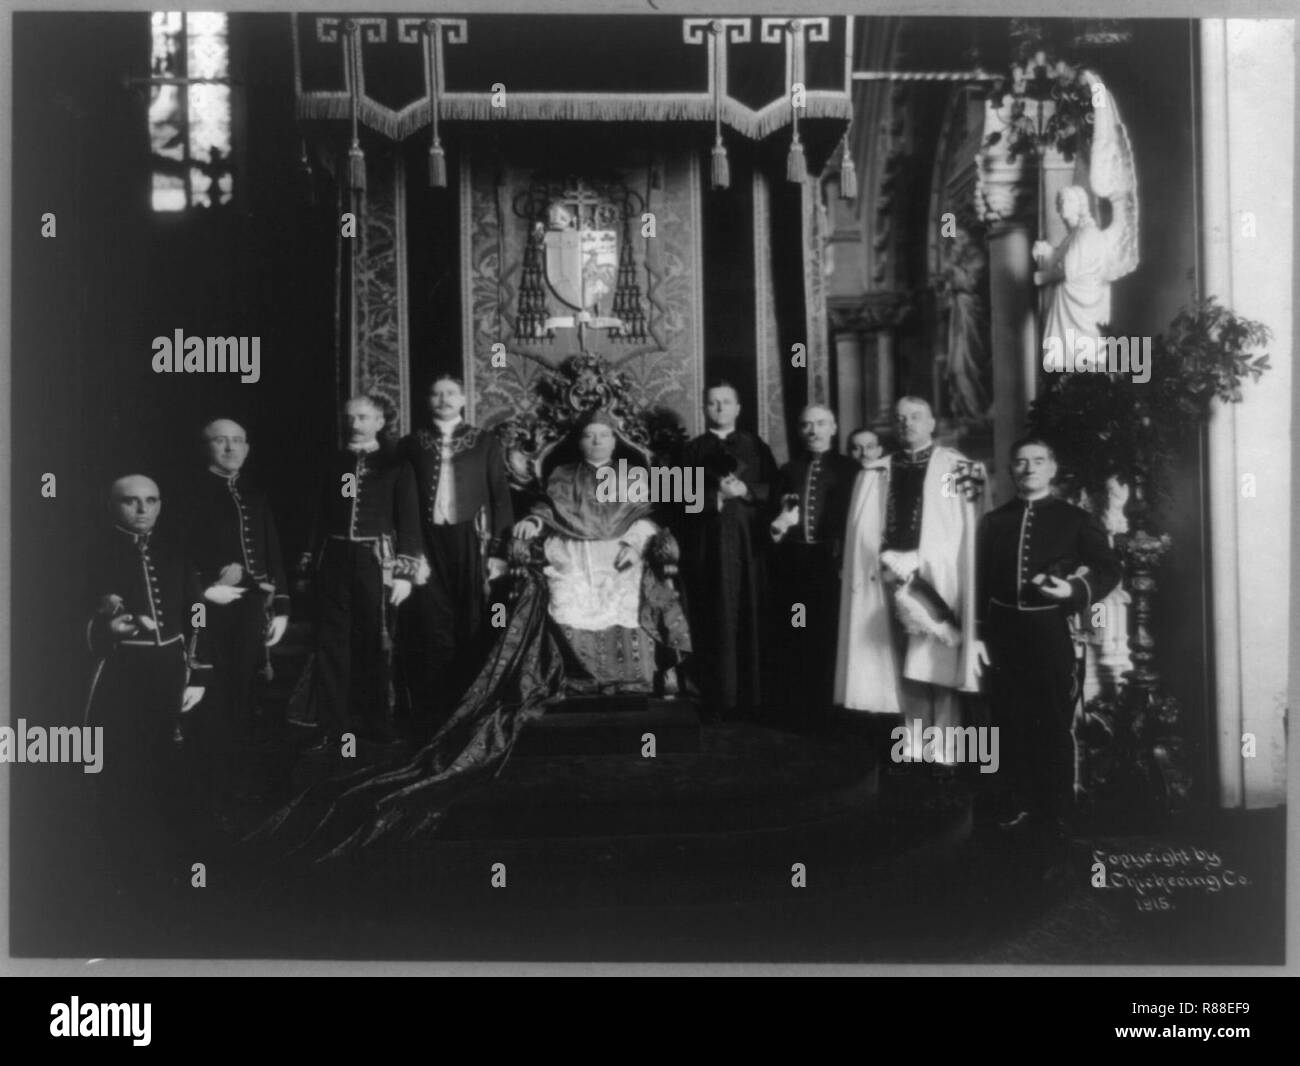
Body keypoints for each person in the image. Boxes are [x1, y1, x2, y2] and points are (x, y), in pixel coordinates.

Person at [973, 437, 1121, 875]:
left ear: (1053, 468)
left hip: (1048, 631)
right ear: (1011, 470)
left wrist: (1074, 590)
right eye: (1020, 462)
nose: (1028, 468)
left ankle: (1055, 813)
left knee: (1053, 721)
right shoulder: (994, 521)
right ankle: (1016, 803)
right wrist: (978, 635)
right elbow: (979, 581)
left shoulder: (1076, 520)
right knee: (1006, 719)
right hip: (1001, 633)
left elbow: (1110, 569)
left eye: (1038, 461)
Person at [834, 396, 987, 759]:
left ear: (932, 423)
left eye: (916, 417)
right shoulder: (874, 472)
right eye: (901, 418)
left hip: (936, 579)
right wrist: (886, 558)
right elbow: (863, 532)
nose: (907, 424)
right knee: (903, 666)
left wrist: (921, 558)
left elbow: (963, 528)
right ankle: (914, 752)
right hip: (886, 577)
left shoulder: (957, 468)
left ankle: (946, 753)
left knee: (938, 666)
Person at [84, 475, 209, 882]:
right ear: (111, 505)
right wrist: (105, 632)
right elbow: (53, 620)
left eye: (151, 500)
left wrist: (198, 672)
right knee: (122, 766)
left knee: (171, 764)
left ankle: (170, 856)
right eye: (131, 502)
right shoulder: (90, 554)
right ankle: (122, 859)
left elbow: (197, 612)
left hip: (172, 669)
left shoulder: (176, 551)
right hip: (120, 673)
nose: (142, 510)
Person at [513, 411, 690, 693]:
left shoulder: (632, 477)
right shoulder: (562, 474)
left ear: (614, 441)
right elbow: (547, 510)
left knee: (625, 595)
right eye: (589, 435)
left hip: (619, 553)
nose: (596, 440)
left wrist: (633, 547)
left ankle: (631, 682)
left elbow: (645, 519)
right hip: (573, 553)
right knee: (568, 595)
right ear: (579, 440)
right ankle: (574, 683)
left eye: (604, 435)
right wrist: (533, 521)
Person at [298, 395, 424, 749]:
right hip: (334, 558)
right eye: (350, 417)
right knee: (331, 643)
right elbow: (318, 518)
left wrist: (406, 572)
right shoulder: (332, 462)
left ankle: (378, 723)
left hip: (376, 561)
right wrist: (308, 563)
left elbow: (409, 521)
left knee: (376, 643)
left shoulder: (397, 464)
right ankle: (332, 727)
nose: (355, 423)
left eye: (363, 417)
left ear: (380, 422)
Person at [399, 376, 513, 734]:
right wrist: (410, 555)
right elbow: (400, 501)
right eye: (436, 393)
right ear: (427, 399)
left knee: (474, 619)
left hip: (471, 538)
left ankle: (470, 707)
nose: (444, 399)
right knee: (432, 622)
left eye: (451, 393)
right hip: (427, 538)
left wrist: (499, 551)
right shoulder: (411, 443)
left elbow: (500, 497)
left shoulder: (484, 441)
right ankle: (434, 709)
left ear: (464, 399)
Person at [185, 418, 289, 810]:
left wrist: (281, 607)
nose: (230, 448)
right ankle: (215, 788)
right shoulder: (188, 494)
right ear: (206, 447)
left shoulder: (256, 494)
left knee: (246, 695)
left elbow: (273, 551)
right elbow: (175, 555)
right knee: (215, 698)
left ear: (247, 447)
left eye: (237, 441)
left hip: (251, 611)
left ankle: (242, 783)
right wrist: (204, 589)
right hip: (209, 611)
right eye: (220, 441)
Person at [679, 381, 777, 719]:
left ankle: (751, 701)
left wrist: (746, 490)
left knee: (749, 616)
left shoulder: (756, 447)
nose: (719, 408)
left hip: (748, 548)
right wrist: (716, 497)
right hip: (708, 550)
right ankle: (713, 700)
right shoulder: (691, 450)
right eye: (712, 403)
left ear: (738, 408)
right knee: (711, 616)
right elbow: (673, 498)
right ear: (704, 409)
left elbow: (776, 491)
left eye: (726, 402)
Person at [768, 404, 860, 730]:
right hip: (795, 569)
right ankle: (801, 709)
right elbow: (773, 520)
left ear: (834, 427)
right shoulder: (788, 470)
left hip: (834, 568)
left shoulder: (852, 470)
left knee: (831, 636)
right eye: (807, 425)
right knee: (798, 634)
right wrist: (779, 525)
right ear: (799, 430)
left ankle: (832, 713)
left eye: (821, 424)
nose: (814, 431)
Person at [1034, 185, 1112, 351]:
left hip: (1081, 305)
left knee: (1074, 352)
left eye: (1069, 201)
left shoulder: (1086, 233)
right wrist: (1046, 252)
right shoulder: (1073, 236)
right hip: (1067, 305)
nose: (1063, 205)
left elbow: (1069, 271)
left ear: (1080, 205)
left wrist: (1042, 277)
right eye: (1061, 201)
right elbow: (1061, 259)